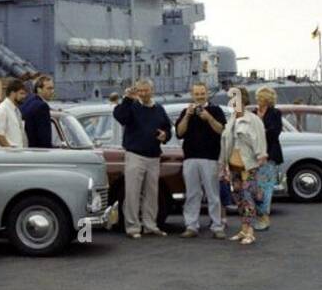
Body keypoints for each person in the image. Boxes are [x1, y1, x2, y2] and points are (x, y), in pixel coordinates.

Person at [112, 79, 171, 238]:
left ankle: (150, 225)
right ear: (136, 91)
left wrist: (165, 135)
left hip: (153, 156)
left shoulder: (159, 109)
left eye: (146, 90)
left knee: (152, 194)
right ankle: (132, 227)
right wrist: (127, 99)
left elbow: (167, 127)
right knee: (132, 193)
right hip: (135, 155)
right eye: (140, 91)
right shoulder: (131, 106)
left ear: (152, 90)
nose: (143, 94)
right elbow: (120, 117)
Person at [175, 82, 226, 238]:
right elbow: (179, 132)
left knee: (213, 194)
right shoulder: (186, 111)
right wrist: (187, 116)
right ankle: (191, 226)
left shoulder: (216, 110)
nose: (199, 96)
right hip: (190, 157)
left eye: (202, 93)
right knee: (192, 193)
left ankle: (217, 227)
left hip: (210, 157)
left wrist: (208, 117)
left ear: (207, 93)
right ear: (192, 95)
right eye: (196, 94)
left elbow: (222, 131)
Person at [218, 87, 268, 246]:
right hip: (233, 162)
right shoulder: (231, 118)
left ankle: (251, 231)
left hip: (248, 163)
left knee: (248, 198)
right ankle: (243, 228)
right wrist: (223, 164)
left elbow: (260, 139)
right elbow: (225, 142)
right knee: (239, 198)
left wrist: (261, 156)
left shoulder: (253, 119)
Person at [254, 86, 284, 231]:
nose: (257, 101)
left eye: (260, 98)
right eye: (257, 98)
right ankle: (258, 216)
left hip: (269, 154)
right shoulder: (253, 113)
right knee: (255, 188)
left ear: (267, 99)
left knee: (265, 188)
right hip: (254, 155)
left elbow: (274, 133)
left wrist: (260, 124)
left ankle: (264, 217)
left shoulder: (275, 113)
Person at [20, 74, 55, 149]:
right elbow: (44, 137)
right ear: (39, 89)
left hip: (27, 148)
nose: (52, 91)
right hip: (39, 151)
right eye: (49, 88)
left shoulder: (28, 101)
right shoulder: (42, 106)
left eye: (52, 88)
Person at [0, 77, 28, 148]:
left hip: (18, 154)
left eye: (24, 94)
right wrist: (10, 150)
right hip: (8, 155)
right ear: (12, 93)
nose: (24, 96)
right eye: (21, 93)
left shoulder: (16, 111)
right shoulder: (2, 109)